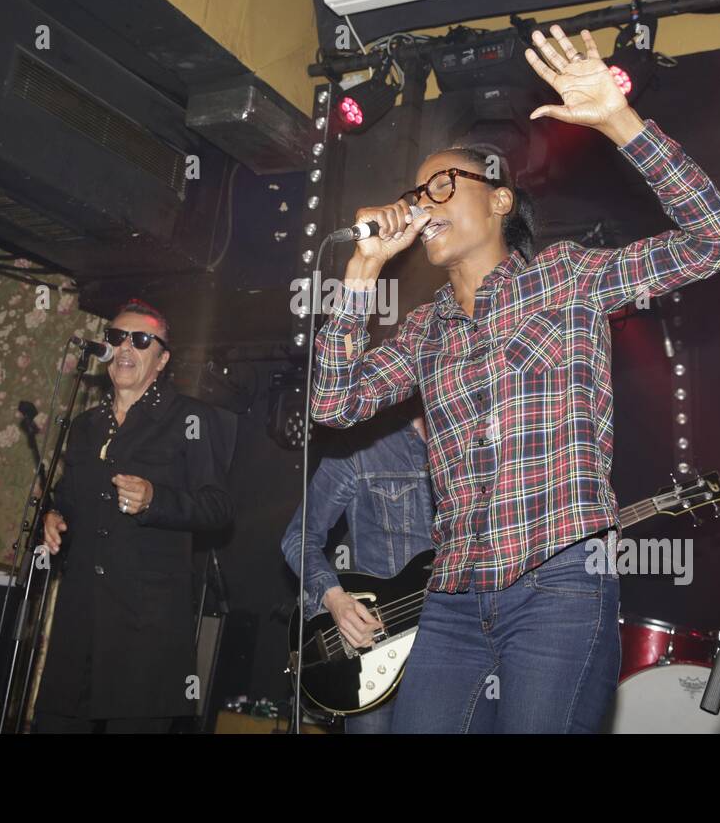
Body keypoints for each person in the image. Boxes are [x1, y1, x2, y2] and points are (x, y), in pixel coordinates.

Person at [310, 26, 720, 733]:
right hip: (452, 596)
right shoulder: (425, 328)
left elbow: (718, 239)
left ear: (500, 201)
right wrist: (362, 273)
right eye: (415, 194)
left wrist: (619, 120)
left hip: (558, 584)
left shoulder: (565, 278)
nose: (423, 205)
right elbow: (334, 404)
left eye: (442, 185)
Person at [36, 300, 234, 733]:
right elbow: (68, 499)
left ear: (161, 360)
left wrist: (155, 499)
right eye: (116, 337)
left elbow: (218, 508)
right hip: (80, 617)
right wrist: (54, 516)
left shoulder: (190, 419)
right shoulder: (85, 425)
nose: (125, 346)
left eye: (141, 339)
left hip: (146, 625)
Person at [281, 404, 434, 733]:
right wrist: (335, 600)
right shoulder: (363, 444)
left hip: (454, 648)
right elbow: (299, 536)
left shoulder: (475, 445)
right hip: (374, 646)